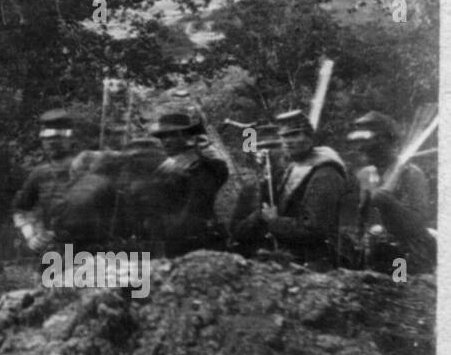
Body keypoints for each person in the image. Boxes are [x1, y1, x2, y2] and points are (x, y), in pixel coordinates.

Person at [237, 109, 347, 269]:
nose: (288, 141)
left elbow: (314, 229)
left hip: (316, 262)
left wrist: (274, 221)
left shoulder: (326, 173)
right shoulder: (291, 168)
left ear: (310, 137)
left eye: (295, 135)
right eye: (284, 136)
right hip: (289, 257)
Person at [347, 110, 434, 273]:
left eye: (367, 140)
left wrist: (388, 202)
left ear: (385, 140)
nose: (361, 148)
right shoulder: (366, 174)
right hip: (373, 255)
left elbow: (418, 224)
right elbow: (362, 220)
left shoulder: (410, 174)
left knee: (395, 290)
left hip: (404, 256)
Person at [146, 111, 229, 257]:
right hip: (171, 241)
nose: (166, 141)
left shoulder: (200, 165)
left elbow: (197, 205)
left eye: (172, 135)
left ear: (187, 136)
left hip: (199, 242)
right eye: (163, 136)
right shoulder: (166, 166)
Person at [11, 108, 78, 254]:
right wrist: (31, 236)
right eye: (48, 137)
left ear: (71, 139)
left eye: (59, 137)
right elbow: (20, 209)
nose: (52, 142)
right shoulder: (40, 174)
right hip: (53, 252)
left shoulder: (88, 169)